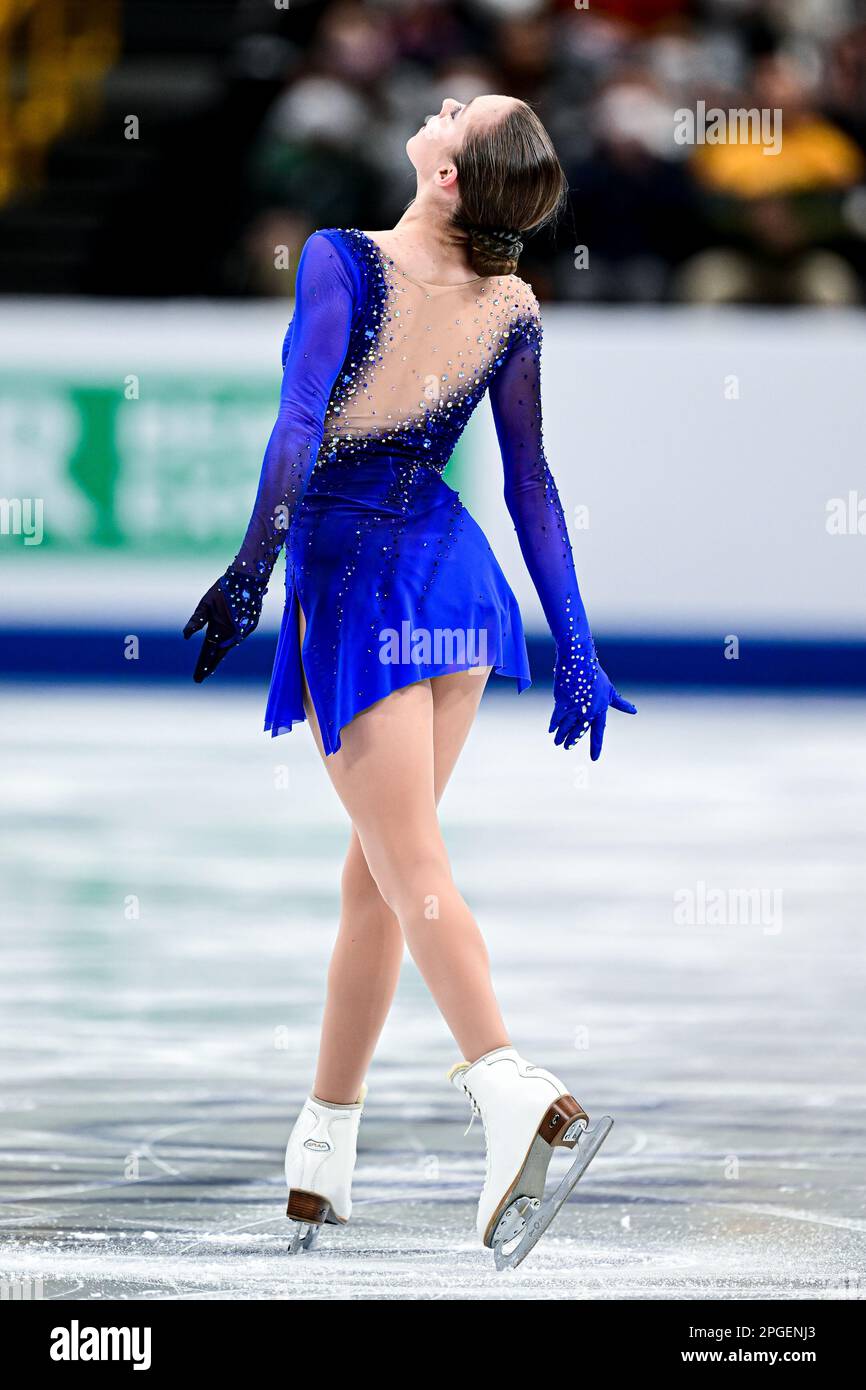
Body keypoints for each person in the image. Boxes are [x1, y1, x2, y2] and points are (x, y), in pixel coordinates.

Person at [184, 95, 636, 1269]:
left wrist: (250, 569)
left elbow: (297, 426)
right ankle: (323, 1142)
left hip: (358, 584)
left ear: (447, 178)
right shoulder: (511, 303)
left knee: (407, 862)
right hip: (457, 580)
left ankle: (507, 1083)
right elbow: (530, 486)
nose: (438, 105)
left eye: (456, 114)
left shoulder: (342, 259)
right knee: (377, 876)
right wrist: (573, 639)